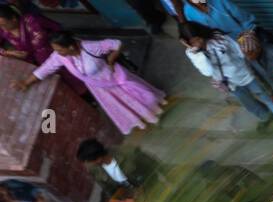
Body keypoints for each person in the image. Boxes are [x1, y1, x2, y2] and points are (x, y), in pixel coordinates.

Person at [12, 32, 164, 136]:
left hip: (115, 78)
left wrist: (111, 59)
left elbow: (116, 43)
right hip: (100, 88)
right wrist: (26, 82)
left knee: (145, 97)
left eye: (59, 49)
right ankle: (146, 119)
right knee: (124, 105)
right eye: (56, 50)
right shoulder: (59, 57)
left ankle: (156, 111)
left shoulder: (90, 47)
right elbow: (45, 68)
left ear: (71, 47)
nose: (58, 52)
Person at [180, 23, 273, 126]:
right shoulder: (192, 53)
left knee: (265, 95)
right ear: (187, 42)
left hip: (245, 74)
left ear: (201, 34)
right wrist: (198, 52)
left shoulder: (219, 39)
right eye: (192, 42)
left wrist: (249, 69)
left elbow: (239, 52)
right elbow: (207, 71)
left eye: (198, 39)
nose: (197, 43)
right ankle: (266, 116)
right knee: (249, 103)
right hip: (229, 84)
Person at [167, 0, 273, 89]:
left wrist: (248, 36)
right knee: (254, 80)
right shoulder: (188, 12)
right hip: (226, 51)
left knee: (264, 70)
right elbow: (200, 36)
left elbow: (246, 19)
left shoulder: (220, 2)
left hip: (245, 43)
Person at [0, 2, 86, 95]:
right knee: (59, 87)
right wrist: (7, 52)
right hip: (40, 65)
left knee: (77, 78)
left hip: (59, 56)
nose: (3, 28)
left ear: (13, 19)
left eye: (4, 24)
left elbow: (59, 29)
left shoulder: (32, 21)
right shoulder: (3, 31)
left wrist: (63, 45)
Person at [75, 138, 160, 202]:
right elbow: (111, 191)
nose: (87, 164)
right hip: (136, 194)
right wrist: (131, 194)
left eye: (88, 161)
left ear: (98, 159)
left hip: (152, 182)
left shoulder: (128, 152)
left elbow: (155, 165)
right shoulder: (94, 170)